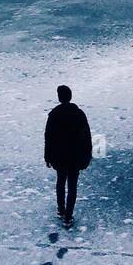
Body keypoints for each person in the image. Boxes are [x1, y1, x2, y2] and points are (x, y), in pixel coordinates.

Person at [44, 84, 92, 226]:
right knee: (72, 185)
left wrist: (47, 156)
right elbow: (87, 137)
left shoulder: (54, 114)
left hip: (60, 156)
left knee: (60, 182)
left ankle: (61, 209)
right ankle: (68, 215)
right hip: (75, 156)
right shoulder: (79, 114)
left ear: (59, 97)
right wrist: (87, 156)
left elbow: (49, 137)